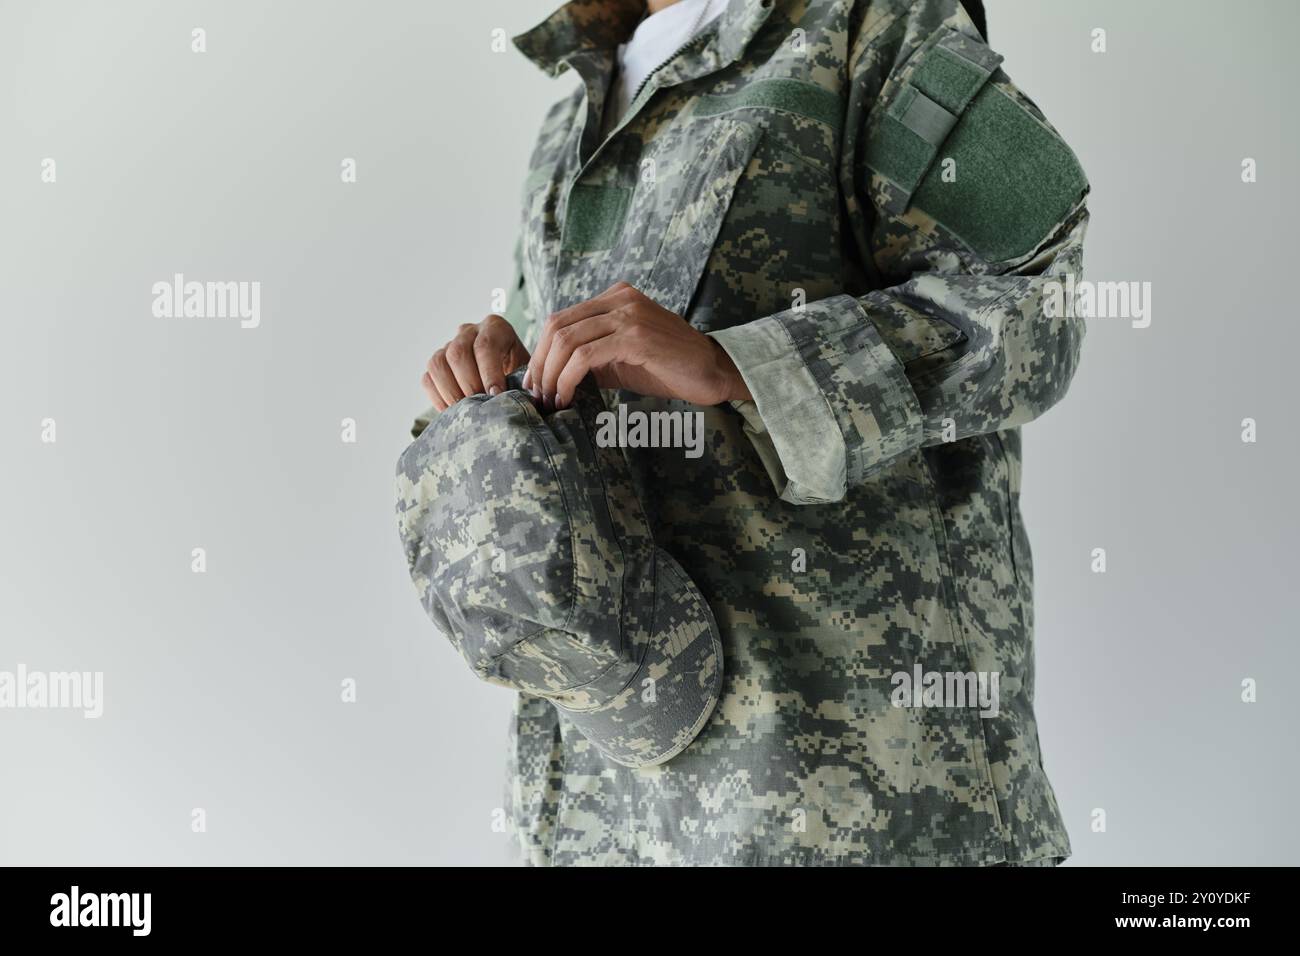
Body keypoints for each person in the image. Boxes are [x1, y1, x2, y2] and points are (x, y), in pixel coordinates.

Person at [416, 0, 1088, 866]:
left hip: (859, 805)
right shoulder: (571, 119)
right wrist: (487, 398)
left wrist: (741, 367)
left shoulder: (869, 30)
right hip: (605, 811)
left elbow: (1038, 299)